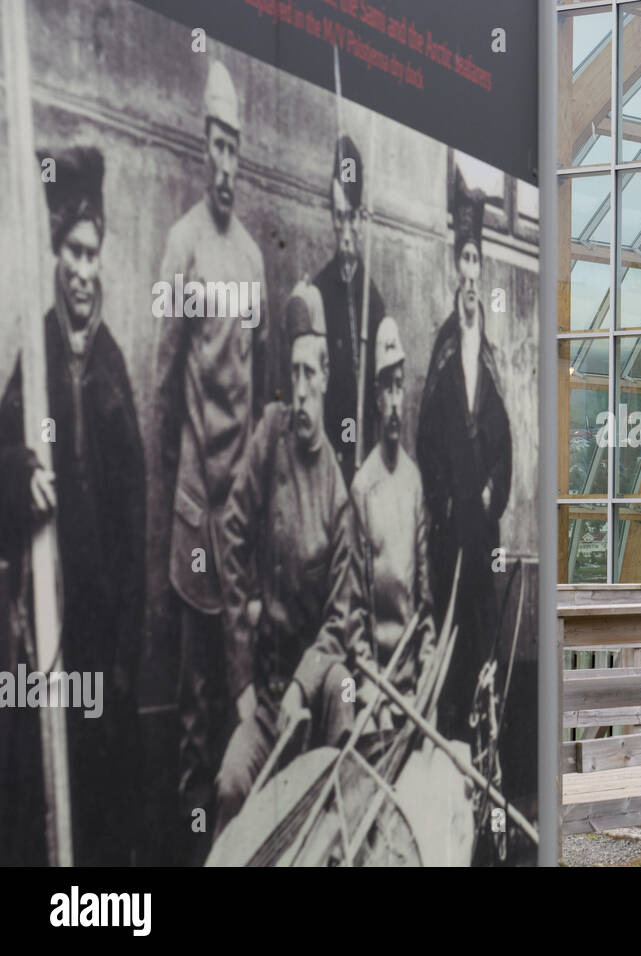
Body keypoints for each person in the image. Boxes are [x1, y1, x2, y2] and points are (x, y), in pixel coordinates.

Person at [0, 146, 146, 864]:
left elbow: (136, 522)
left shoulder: (114, 368)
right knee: (42, 817)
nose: (85, 270)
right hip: (47, 646)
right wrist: (16, 471)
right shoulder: (36, 358)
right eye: (74, 252)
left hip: (101, 646)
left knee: (101, 823)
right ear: (56, 254)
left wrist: (123, 660)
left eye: (95, 254)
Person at [156, 60, 269, 858]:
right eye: (215, 147)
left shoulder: (255, 262)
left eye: (235, 148)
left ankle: (237, 839)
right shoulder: (182, 246)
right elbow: (166, 383)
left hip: (238, 514)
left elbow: (259, 386)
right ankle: (193, 837)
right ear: (203, 150)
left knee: (242, 674)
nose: (224, 163)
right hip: (196, 502)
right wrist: (184, 487)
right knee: (194, 688)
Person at [212, 283, 355, 835]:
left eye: (309, 376)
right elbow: (230, 537)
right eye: (292, 375)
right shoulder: (268, 436)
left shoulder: (338, 495)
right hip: (269, 697)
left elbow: (339, 624)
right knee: (230, 786)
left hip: (313, 699)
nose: (299, 392)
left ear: (325, 378)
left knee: (316, 818)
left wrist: (304, 686)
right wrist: (242, 679)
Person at [416, 172, 512, 863]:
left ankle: (484, 812)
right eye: (465, 260)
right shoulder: (446, 346)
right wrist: (451, 501)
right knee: (452, 670)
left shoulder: (492, 351)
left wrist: (492, 496)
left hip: (488, 544)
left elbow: (505, 445)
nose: (472, 271)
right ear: (455, 266)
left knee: (485, 665)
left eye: (480, 260)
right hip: (453, 543)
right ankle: (443, 814)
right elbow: (426, 440)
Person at [348, 317, 432, 725]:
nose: (396, 401)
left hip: (413, 685)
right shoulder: (363, 488)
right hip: (376, 686)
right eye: (388, 388)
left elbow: (425, 600)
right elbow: (354, 610)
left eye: (401, 387)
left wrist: (427, 674)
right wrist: (371, 688)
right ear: (377, 398)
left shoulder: (415, 481)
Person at [314, 135, 387, 487]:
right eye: (338, 217)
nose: (344, 231)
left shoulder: (373, 304)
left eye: (350, 218)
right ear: (332, 218)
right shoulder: (318, 292)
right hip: (322, 458)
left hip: (362, 460)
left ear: (360, 220)